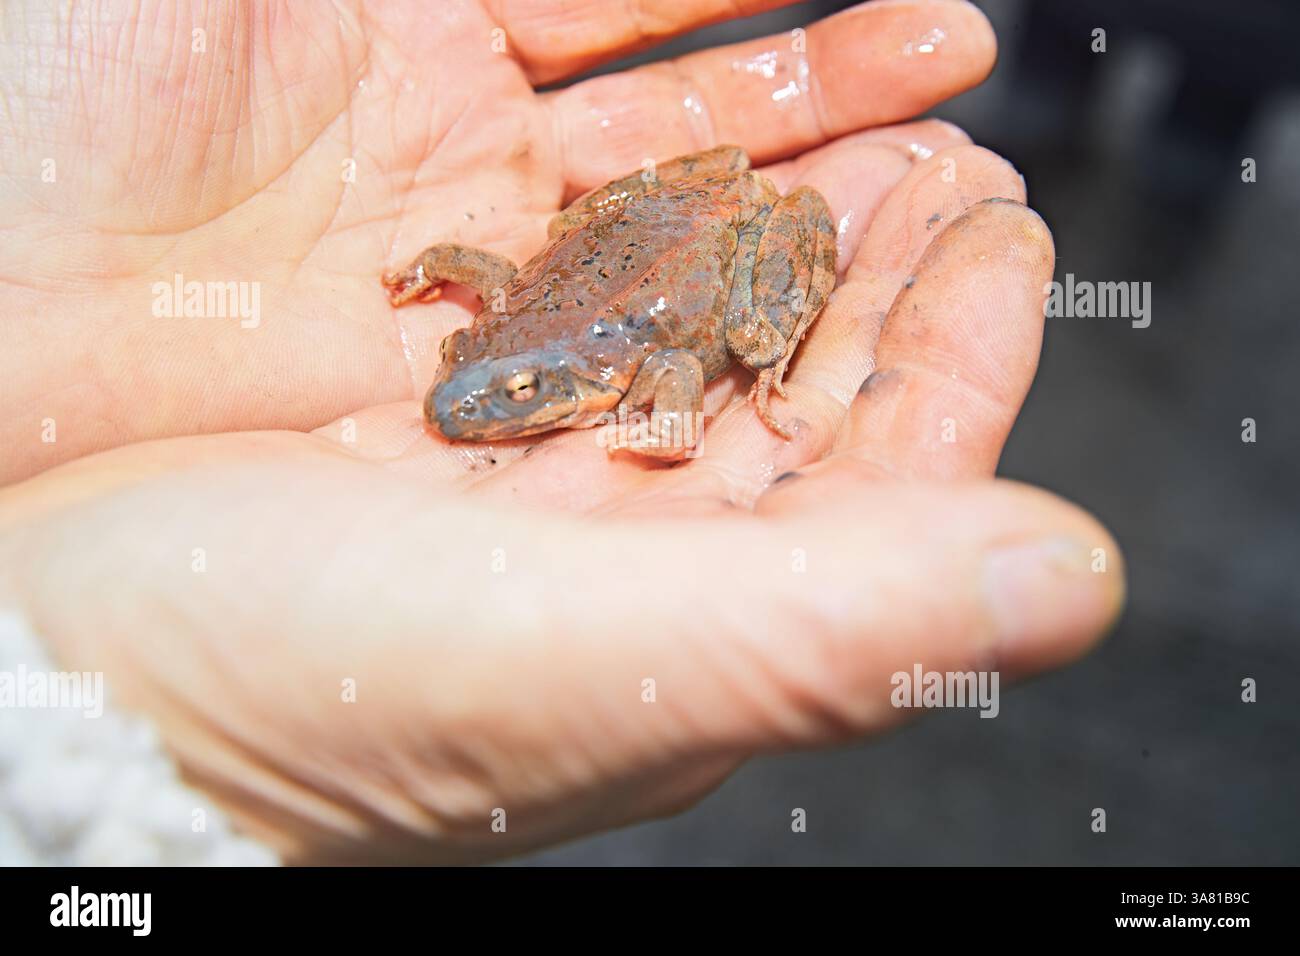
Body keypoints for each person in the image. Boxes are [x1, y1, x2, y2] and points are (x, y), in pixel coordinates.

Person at [0, 0, 1123, 864]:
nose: (468, 408)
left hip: (712, 251)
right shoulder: (504, 330)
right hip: (634, 238)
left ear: (556, 382)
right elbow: (479, 268)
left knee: (745, 328)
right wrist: (429, 272)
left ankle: (775, 333)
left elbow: (680, 366)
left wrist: (671, 422)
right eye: (470, 373)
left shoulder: (616, 362)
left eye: (503, 395)